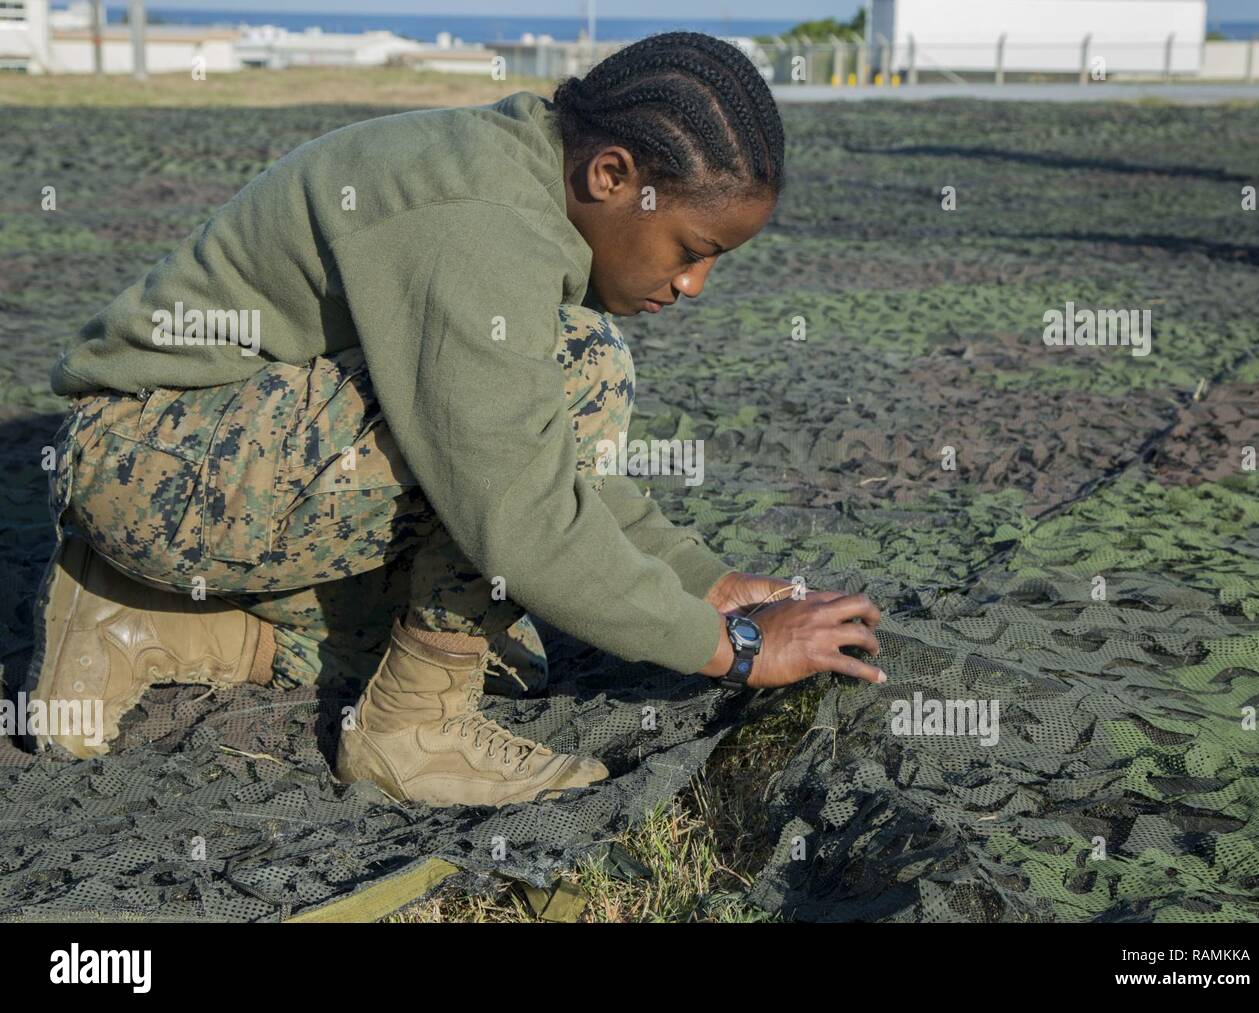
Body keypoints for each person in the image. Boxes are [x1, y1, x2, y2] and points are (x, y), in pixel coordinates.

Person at [25, 32, 885, 808]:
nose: (694, 285)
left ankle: (129, 617)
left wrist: (704, 580)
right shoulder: (486, 228)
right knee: (581, 369)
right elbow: (521, 511)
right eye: (695, 251)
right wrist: (732, 646)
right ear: (612, 174)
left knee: (511, 661)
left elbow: (546, 455)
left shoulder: (516, 176)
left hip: (192, 464)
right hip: (147, 460)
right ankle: (412, 733)